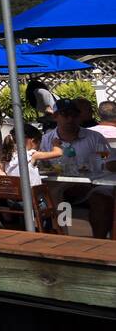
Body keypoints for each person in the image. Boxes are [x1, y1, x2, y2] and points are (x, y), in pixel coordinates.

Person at [40, 98, 115, 240]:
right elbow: (43, 166)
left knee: (101, 197)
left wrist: (102, 164)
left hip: (91, 186)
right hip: (60, 186)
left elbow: (110, 162)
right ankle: (63, 237)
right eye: (65, 115)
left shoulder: (94, 137)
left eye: (74, 115)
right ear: (56, 116)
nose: (70, 119)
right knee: (54, 193)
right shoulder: (47, 139)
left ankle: (99, 242)